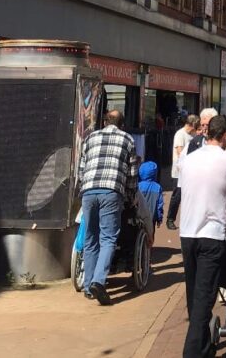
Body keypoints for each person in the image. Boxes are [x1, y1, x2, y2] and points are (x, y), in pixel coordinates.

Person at [178, 114, 226, 358]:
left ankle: (204, 347)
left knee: (194, 296)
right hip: (213, 235)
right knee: (204, 297)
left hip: (187, 234)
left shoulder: (187, 158)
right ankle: (192, 353)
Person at [77, 108, 139, 306]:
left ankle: (88, 286)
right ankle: (98, 281)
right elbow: (132, 173)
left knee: (90, 237)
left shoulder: (91, 138)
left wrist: (84, 187)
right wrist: (130, 196)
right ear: (122, 124)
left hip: (89, 190)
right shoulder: (128, 139)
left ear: (104, 122)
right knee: (108, 238)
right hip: (112, 191)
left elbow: (81, 168)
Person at [167, 115, 197, 230]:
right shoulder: (180, 134)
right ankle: (170, 219)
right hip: (179, 172)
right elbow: (180, 151)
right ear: (192, 124)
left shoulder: (193, 135)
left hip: (190, 170)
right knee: (177, 196)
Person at [138, 160, 165, 244]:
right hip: (152, 217)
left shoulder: (138, 186)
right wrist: (159, 218)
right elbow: (159, 205)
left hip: (139, 216)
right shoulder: (157, 187)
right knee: (151, 235)